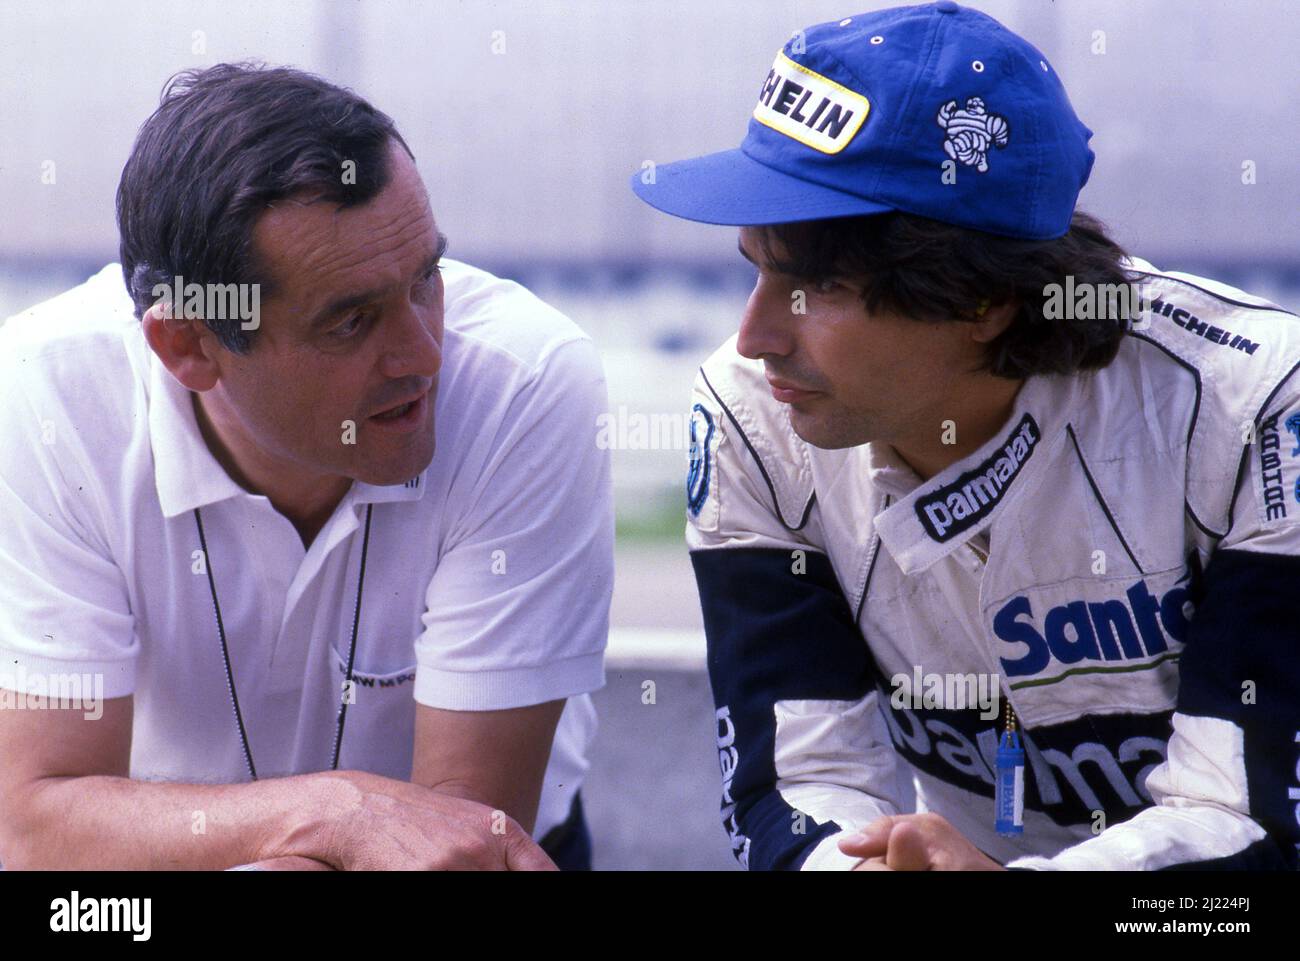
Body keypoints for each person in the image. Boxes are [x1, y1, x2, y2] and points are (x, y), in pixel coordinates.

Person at [630, 1, 1300, 870]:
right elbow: (798, 783)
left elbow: (1255, 835)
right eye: (756, 269)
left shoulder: (1257, 403)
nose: (756, 338)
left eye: (818, 285)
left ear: (984, 298)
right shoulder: (749, 413)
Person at [0, 63, 613, 870]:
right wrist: (331, 812)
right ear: (188, 345)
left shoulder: (525, 384)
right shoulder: (49, 396)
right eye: (351, 321)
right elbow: (35, 827)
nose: (427, 354)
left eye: (426, 277)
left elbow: (463, 846)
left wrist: (322, 829)